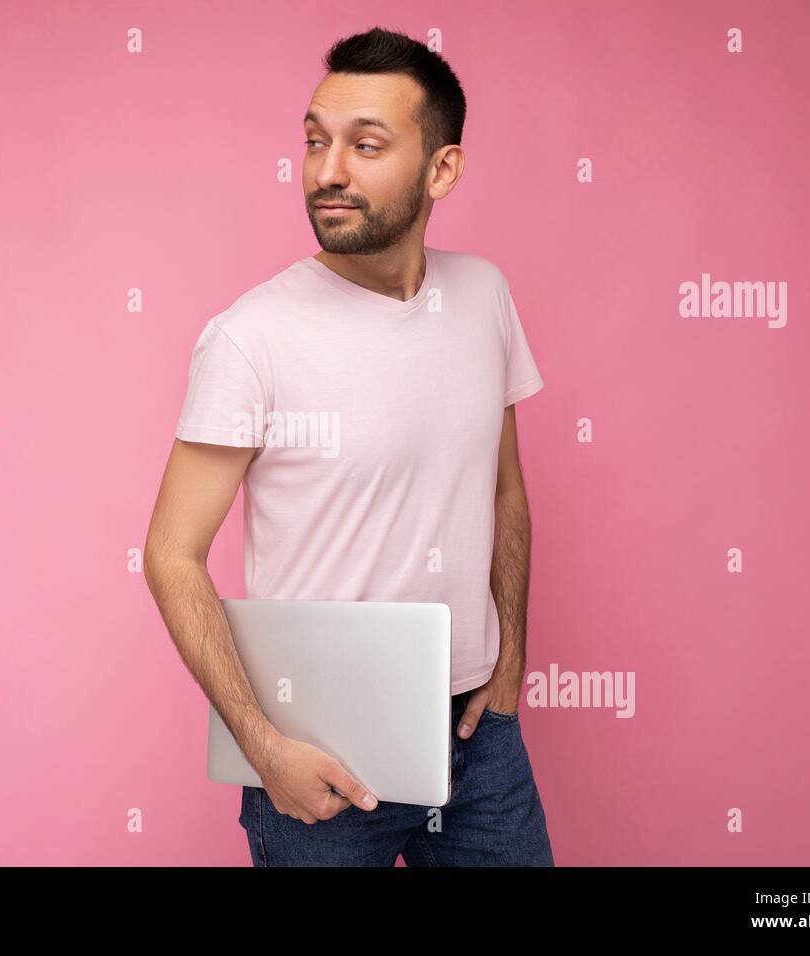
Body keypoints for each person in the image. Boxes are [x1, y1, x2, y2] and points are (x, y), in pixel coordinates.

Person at [143, 26, 554, 866]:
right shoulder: (250, 338)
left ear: (442, 168)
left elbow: (504, 489)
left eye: (366, 145)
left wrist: (510, 655)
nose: (327, 170)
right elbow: (171, 554)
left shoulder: (484, 297)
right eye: (315, 141)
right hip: (316, 756)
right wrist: (264, 747)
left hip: (479, 742)